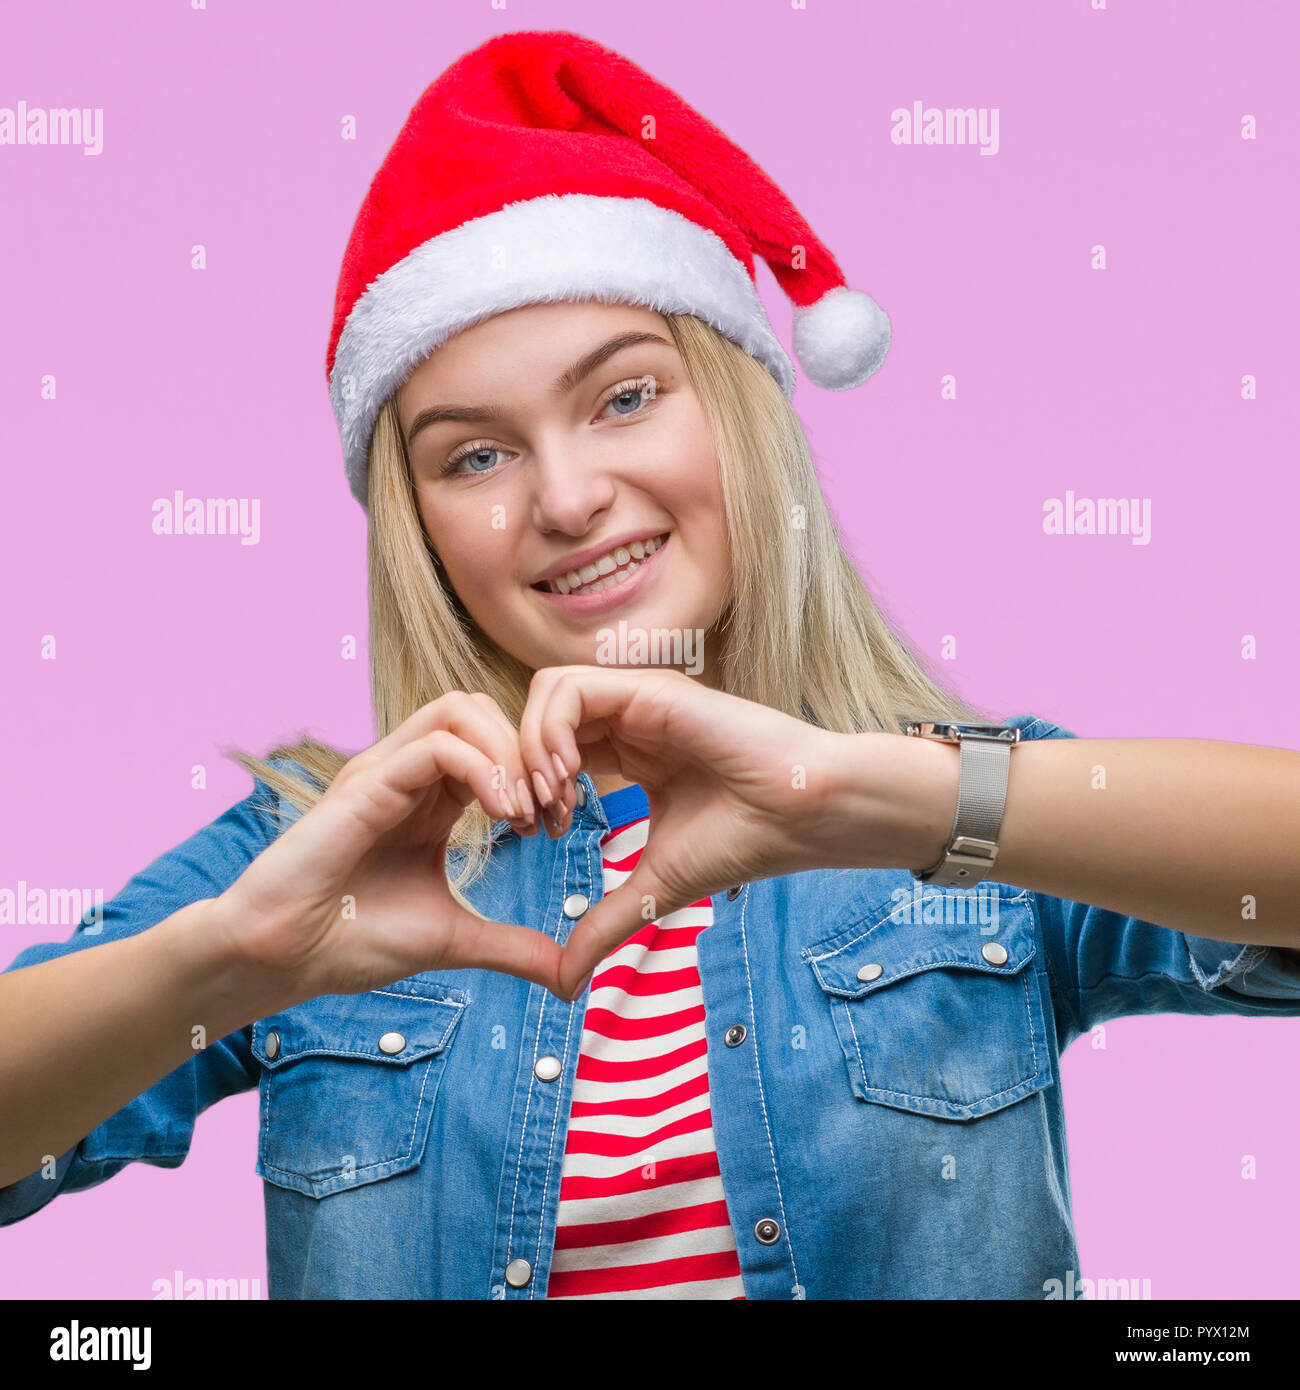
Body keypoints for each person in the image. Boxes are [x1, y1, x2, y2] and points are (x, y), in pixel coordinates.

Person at [2, 29, 1298, 1302]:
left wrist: (874, 797)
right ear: (419, 525)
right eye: (474, 454)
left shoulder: (955, 818)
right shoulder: (312, 858)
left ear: (736, 410)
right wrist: (229, 962)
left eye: (625, 396)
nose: (567, 497)